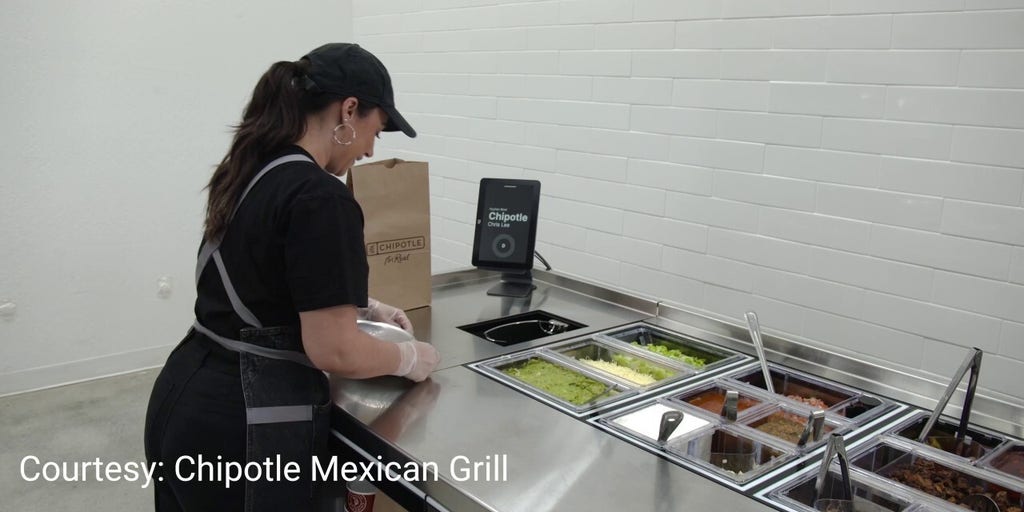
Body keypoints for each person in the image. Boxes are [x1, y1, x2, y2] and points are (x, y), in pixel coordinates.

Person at [144, 43, 439, 511]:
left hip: (183, 400)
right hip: (244, 429)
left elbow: (261, 272)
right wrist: (409, 358)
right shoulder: (322, 197)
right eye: (375, 132)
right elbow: (334, 350)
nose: (369, 150)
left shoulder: (252, 166)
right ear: (348, 110)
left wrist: (360, 303)